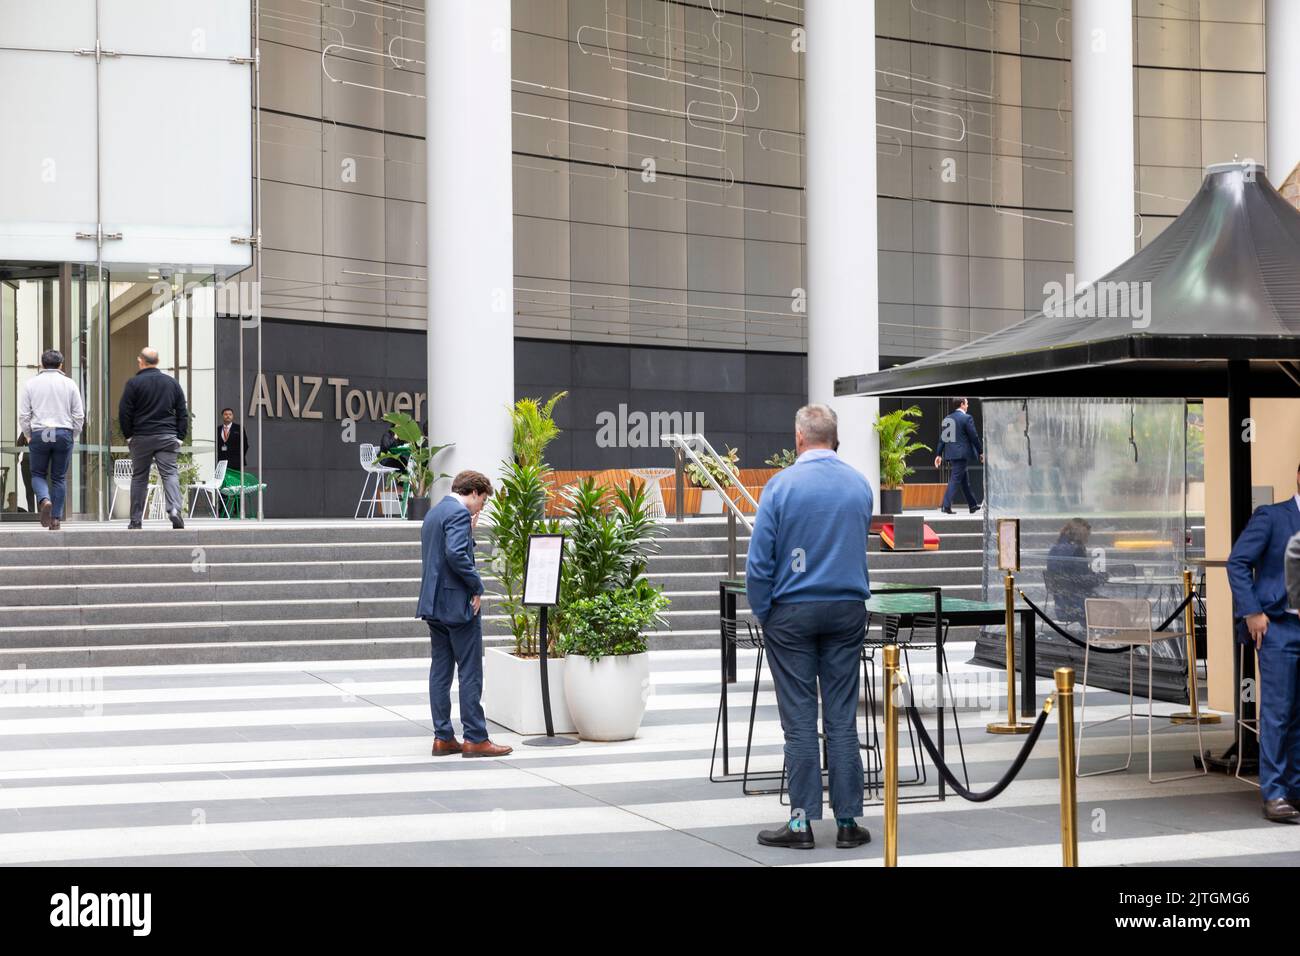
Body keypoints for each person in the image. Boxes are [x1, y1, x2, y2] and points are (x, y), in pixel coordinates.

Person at [745, 404, 874, 850]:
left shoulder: (780, 487)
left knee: (799, 722)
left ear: (799, 438)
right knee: (841, 719)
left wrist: (768, 613)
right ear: (833, 438)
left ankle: (800, 825)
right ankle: (847, 823)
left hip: (793, 612)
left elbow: (759, 564)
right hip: (846, 609)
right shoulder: (860, 486)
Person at [416, 469, 512, 758]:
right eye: (482, 501)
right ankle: (475, 738)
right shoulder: (458, 514)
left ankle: (443, 737)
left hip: (433, 605)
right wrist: (477, 586)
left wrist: (470, 530)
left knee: (440, 671)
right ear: (473, 492)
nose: (480, 507)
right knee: (470, 671)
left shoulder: (434, 513)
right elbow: (456, 554)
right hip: (458, 605)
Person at [1227, 463, 1300, 823]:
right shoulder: (1272, 516)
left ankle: (1295, 789)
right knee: (1278, 713)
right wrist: (1252, 612)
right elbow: (1237, 562)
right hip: (1279, 629)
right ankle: (1274, 793)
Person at [118, 347, 188, 530]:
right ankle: (174, 510)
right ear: (157, 361)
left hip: (141, 437)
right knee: (170, 473)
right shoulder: (171, 383)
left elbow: (124, 412)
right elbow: (182, 411)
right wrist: (180, 437)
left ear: (141, 361)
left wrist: (129, 436)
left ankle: (136, 520)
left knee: (140, 477)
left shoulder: (133, 384)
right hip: (167, 436)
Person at [18, 349, 85, 531]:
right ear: (61, 364)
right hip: (63, 432)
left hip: (40, 432)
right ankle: (55, 519)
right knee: (59, 477)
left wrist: (28, 434)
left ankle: (44, 499)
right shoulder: (70, 384)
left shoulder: (30, 384)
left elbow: (24, 415)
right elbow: (78, 415)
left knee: (38, 474)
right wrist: (73, 434)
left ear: (42, 364)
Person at [1044, 518, 1106, 625]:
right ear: (1081, 534)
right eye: (1087, 536)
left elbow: (1069, 577)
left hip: (1061, 604)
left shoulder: (1054, 548)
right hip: (1077, 604)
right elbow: (1081, 580)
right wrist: (1100, 578)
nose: (1087, 539)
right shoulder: (1076, 550)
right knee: (1116, 607)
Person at [934, 396, 983, 514]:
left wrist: (939, 454)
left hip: (952, 454)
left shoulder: (947, 418)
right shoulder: (967, 418)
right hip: (962, 454)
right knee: (955, 479)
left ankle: (972, 505)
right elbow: (974, 437)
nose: (968, 405)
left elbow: (943, 439)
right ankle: (945, 505)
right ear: (961, 404)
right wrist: (981, 451)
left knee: (964, 480)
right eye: (966, 403)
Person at [216, 407, 248, 473]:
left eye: (230, 414)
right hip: (221, 461)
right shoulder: (218, 429)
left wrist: (239, 457)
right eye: (226, 414)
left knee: (235, 481)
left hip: (236, 462)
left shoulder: (239, 428)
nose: (228, 416)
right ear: (222, 416)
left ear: (232, 416)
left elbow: (245, 445)